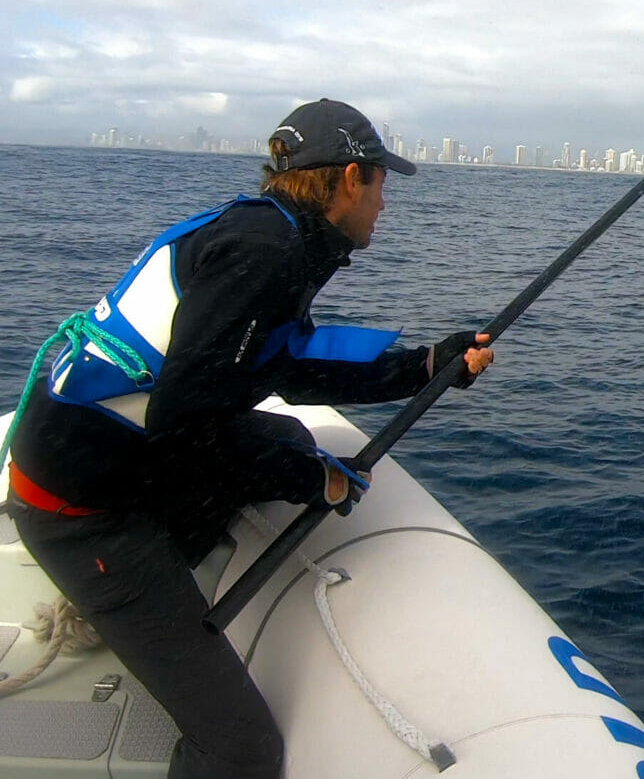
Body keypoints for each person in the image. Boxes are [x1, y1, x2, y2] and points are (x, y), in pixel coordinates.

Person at [3, 98, 493, 779]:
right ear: (350, 177)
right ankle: (118, 600)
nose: (385, 201)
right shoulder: (267, 254)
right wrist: (307, 479)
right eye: (381, 182)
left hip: (93, 464)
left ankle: (151, 586)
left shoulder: (268, 235)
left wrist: (426, 367)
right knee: (241, 751)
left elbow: (281, 363)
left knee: (287, 438)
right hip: (84, 518)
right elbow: (185, 424)